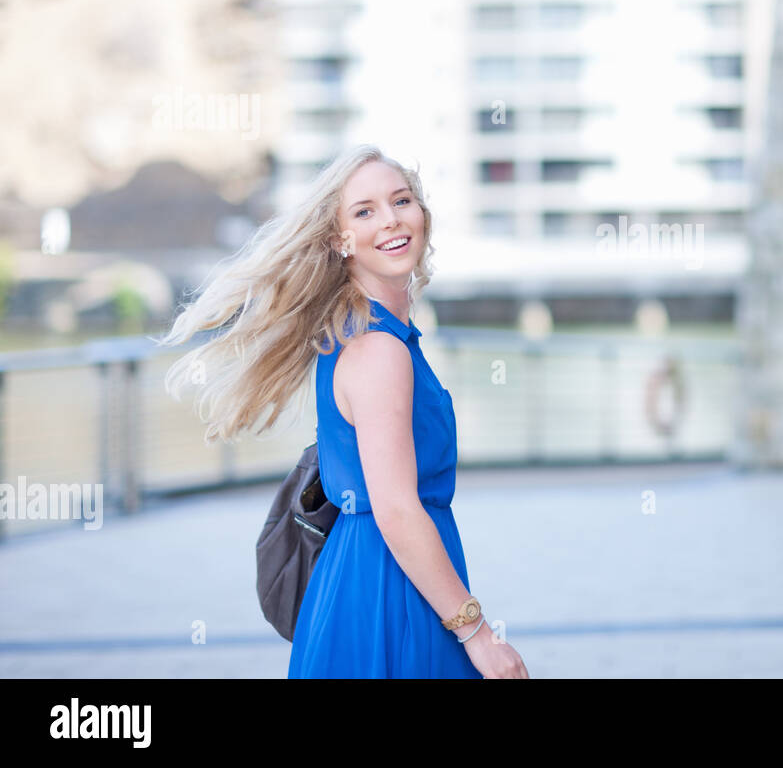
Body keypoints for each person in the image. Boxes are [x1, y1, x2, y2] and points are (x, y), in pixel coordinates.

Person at [156, 144, 528, 679]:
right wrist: (479, 634)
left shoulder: (362, 334)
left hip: (372, 582)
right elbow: (397, 510)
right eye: (365, 211)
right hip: (391, 593)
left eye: (401, 200)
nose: (391, 220)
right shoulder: (379, 350)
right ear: (340, 240)